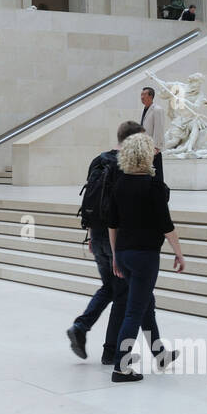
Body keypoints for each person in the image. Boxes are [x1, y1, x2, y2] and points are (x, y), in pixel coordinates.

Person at [67, 121, 162, 365]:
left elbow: (92, 199)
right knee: (123, 296)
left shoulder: (98, 160)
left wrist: (90, 235)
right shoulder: (127, 164)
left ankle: (82, 326)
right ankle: (112, 352)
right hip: (118, 239)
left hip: (97, 236)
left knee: (112, 288)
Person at [107, 133, 186, 383]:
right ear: (145, 155)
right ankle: (121, 366)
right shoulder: (154, 187)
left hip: (125, 253)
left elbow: (112, 224)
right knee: (134, 311)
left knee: (145, 306)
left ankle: (159, 354)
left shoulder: (119, 183)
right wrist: (179, 253)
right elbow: (166, 225)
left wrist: (115, 256)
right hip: (145, 257)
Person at [139, 86, 165, 181]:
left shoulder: (157, 109)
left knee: (156, 176)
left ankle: (158, 195)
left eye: (144, 95)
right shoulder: (145, 110)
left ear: (150, 96)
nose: (141, 97)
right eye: (141, 95)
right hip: (144, 148)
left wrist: (156, 147)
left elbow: (159, 128)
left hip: (153, 150)